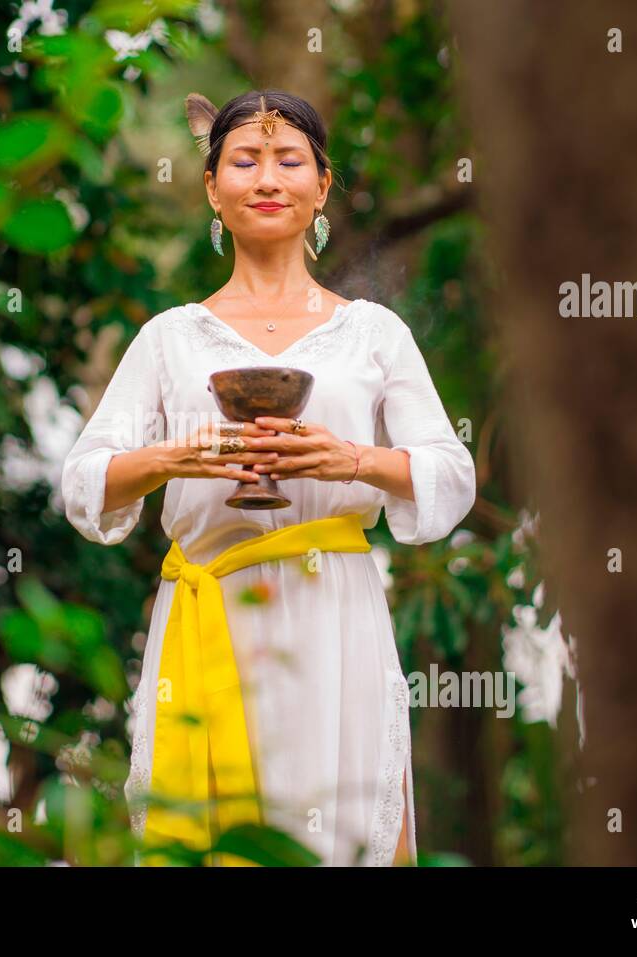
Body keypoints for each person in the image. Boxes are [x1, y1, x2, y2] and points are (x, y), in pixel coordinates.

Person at [60, 90, 477, 866]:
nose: (267, 178)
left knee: (349, 830)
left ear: (322, 186)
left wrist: (351, 458)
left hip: (334, 612)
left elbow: (451, 474)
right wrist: (173, 458)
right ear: (212, 187)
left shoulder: (372, 334)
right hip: (208, 606)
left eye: (289, 161)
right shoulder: (170, 339)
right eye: (244, 161)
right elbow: (85, 483)